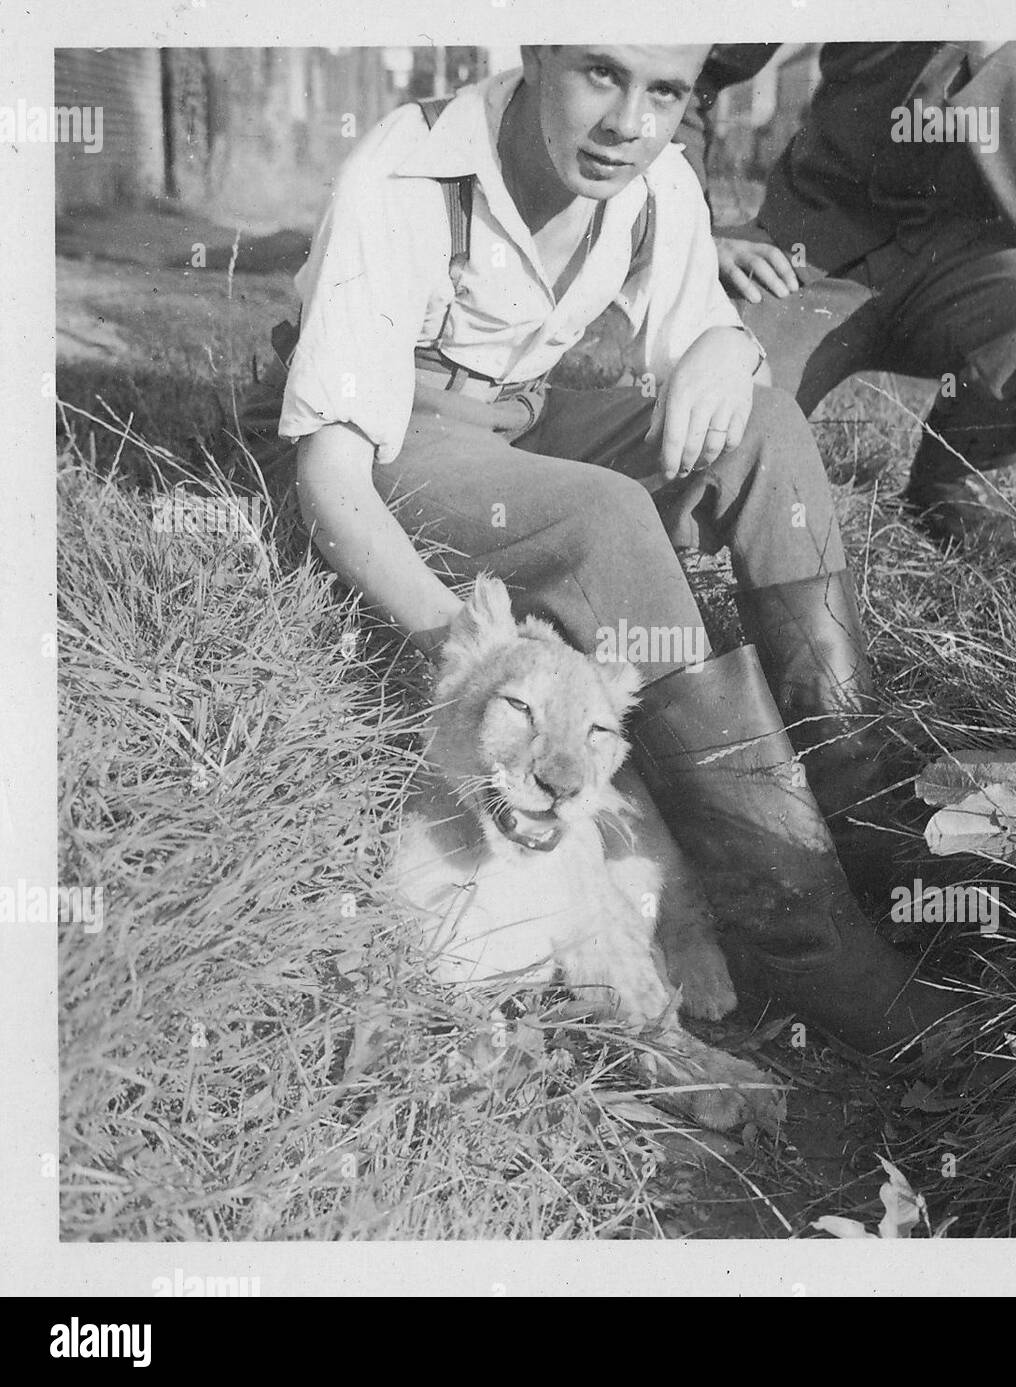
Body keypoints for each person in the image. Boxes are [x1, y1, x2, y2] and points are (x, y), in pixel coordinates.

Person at [242, 45, 957, 1054]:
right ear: (537, 51)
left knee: (767, 428)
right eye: (600, 74)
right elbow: (332, 479)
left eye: (664, 90)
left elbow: (711, 337)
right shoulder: (409, 170)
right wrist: (460, 639)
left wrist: (726, 348)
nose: (629, 121)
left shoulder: (655, 179)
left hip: (519, 414)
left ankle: (864, 823)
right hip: (386, 432)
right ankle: (803, 934)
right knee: (607, 518)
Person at [678, 41, 1016, 546]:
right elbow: (684, 61)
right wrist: (691, 229)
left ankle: (951, 480)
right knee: (693, 477)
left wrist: (995, 44)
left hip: (975, 273)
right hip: (805, 256)